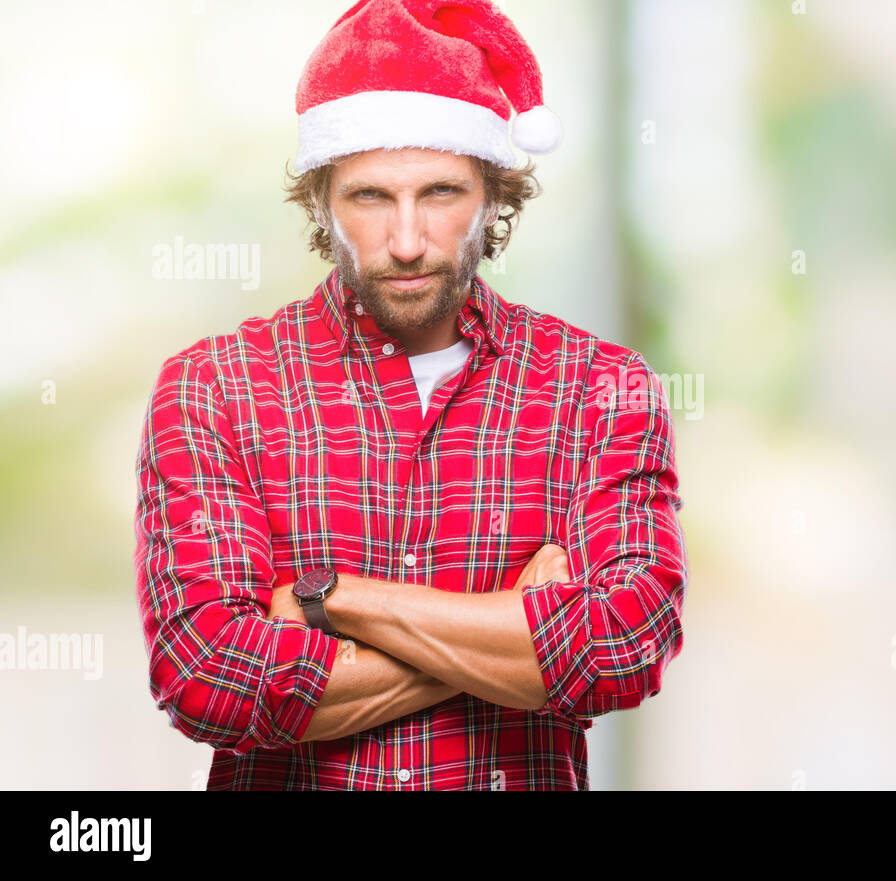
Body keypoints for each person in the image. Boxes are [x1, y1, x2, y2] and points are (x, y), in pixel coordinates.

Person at [133, 0, 687, 790]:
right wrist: (509, 631)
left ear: (495, 193)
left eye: (439, 192)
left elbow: (621, 648)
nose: (405, 239)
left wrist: (334, 600)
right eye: (368, 197)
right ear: (322, 198)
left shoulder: (600, 385)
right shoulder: (214, 386)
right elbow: (210, 679)